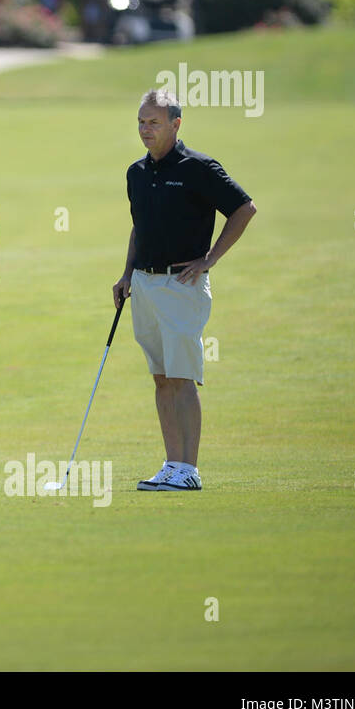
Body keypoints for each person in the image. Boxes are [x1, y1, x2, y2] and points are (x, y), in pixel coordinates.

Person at [112, 88, 256, 491]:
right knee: (161, 378)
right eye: (141, 122)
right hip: (144, 284)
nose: (145, 129)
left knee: (182, 377)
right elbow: (139, 227)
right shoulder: (136, 173)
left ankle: (189, 470)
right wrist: (126, 275)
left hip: (182, 284)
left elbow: (244, 208)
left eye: (154, 122)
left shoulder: (199, 168)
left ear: (176, 124)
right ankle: (171, 464)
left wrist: (210, 259)